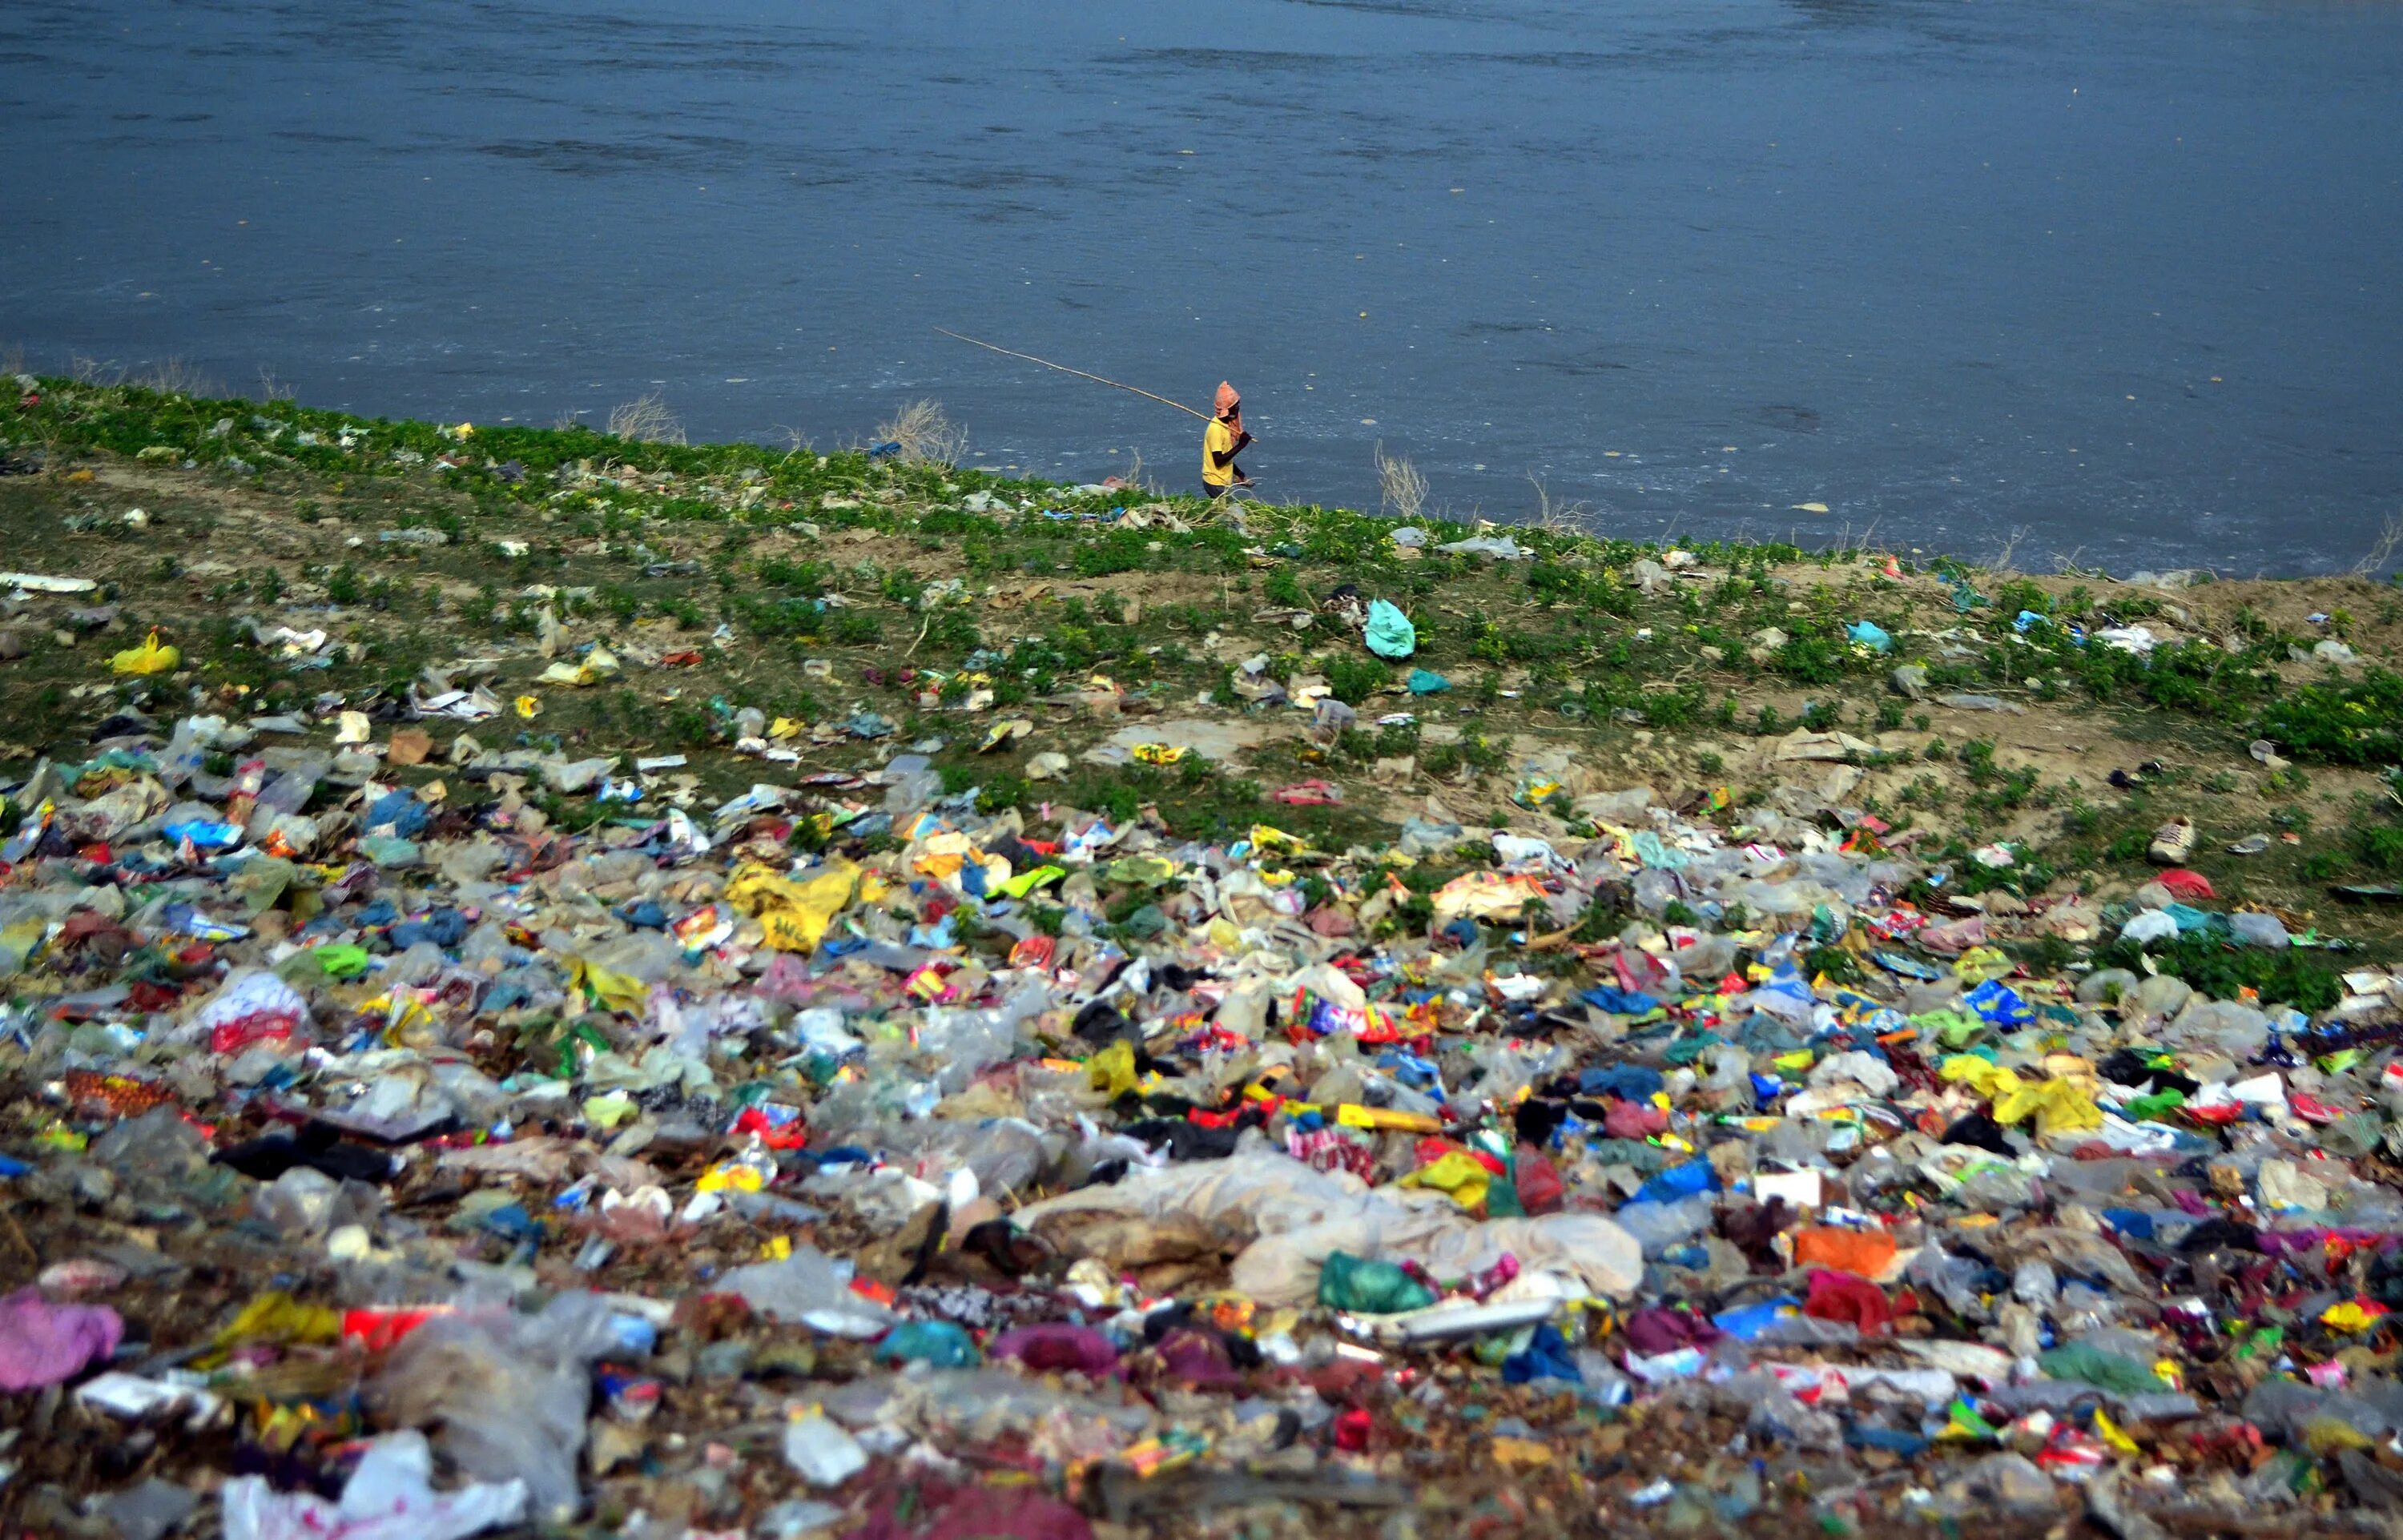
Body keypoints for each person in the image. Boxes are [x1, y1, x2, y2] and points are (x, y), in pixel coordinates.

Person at [1201, 380, 1253, 498]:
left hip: (1222, 482)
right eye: (1235, 406)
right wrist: (1241, 445)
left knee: (1224, 514)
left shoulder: (1225, 427)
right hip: (1215, 483)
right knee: (1235, 514)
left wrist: (1238, 473)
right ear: (1227, 409)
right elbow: (1218, 460)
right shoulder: (1216, 429)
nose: (1238, 409)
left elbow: (1226, 456)